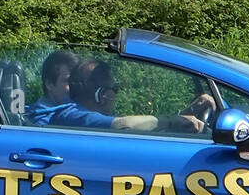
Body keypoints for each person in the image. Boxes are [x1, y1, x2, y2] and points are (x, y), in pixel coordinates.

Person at [62, 58, 214, 133]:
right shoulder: (76, 117)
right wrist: (172, 121)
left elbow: (140, 128)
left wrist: (185, 114)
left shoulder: (80, 117)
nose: (114, 96)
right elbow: (125, 124)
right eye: (114, 89)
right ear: (102, 95)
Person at [24, 50, 80, 125]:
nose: (75, 87)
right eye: (68, 81)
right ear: (49, 84)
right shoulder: (42, 121)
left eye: (78, 81)